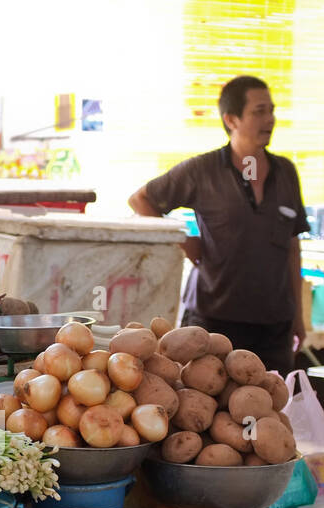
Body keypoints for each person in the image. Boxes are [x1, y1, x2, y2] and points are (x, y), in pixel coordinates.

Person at [128, 75, 308, 375]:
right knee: (207, 409)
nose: (270, 119)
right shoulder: (203, 170)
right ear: (231, 119)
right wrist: (185, 241)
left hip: (274, 327)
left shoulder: (286, 173)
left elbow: (292, 248)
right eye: (259, 111)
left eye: (272, 110)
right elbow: (142, 200)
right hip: (213, 322)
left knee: (273, 412)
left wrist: (298, 317)